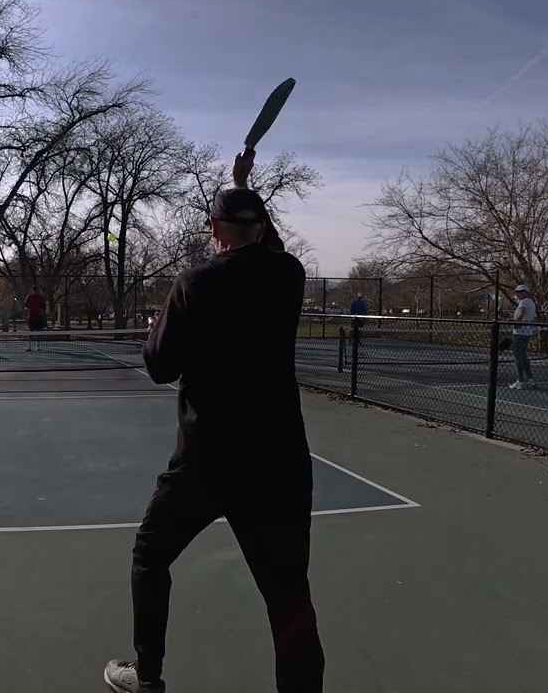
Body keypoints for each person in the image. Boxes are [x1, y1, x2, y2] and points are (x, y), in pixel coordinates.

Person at [105, 149, 324, 693]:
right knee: (289, 593)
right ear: (262, 227)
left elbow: (159, 366)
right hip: (278, 464)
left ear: (212, 228)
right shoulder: (288, 274)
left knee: (149, 558)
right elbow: (265, 247)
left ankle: (147, 675)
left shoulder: (195, 282)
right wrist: (244, 185)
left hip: (208, 462)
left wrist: (158, 324)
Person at [510, 284, 537, 389]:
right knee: (523, 356)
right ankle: (531, 379)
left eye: (520, 291)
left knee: (517, 357)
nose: (518, 293)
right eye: (517, 291)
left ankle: (520, 380)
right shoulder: (530, 302)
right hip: (526, 332)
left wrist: (517, 323)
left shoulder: (524, 302)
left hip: (520, 333)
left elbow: (521, 314)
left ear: (526, 292)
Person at [24, 284, 48, 352]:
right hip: (31, 317)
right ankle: (29, 346)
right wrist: (27, 309)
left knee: (38, 332)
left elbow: (43, 307)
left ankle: (37, 346)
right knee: (30, 332)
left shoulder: (40, 298)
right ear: (33, 290)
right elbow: (25, 306)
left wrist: (44, 313)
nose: (37, 291)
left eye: (37, 290)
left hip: (38, 318)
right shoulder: (29, 297)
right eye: (35, 290)